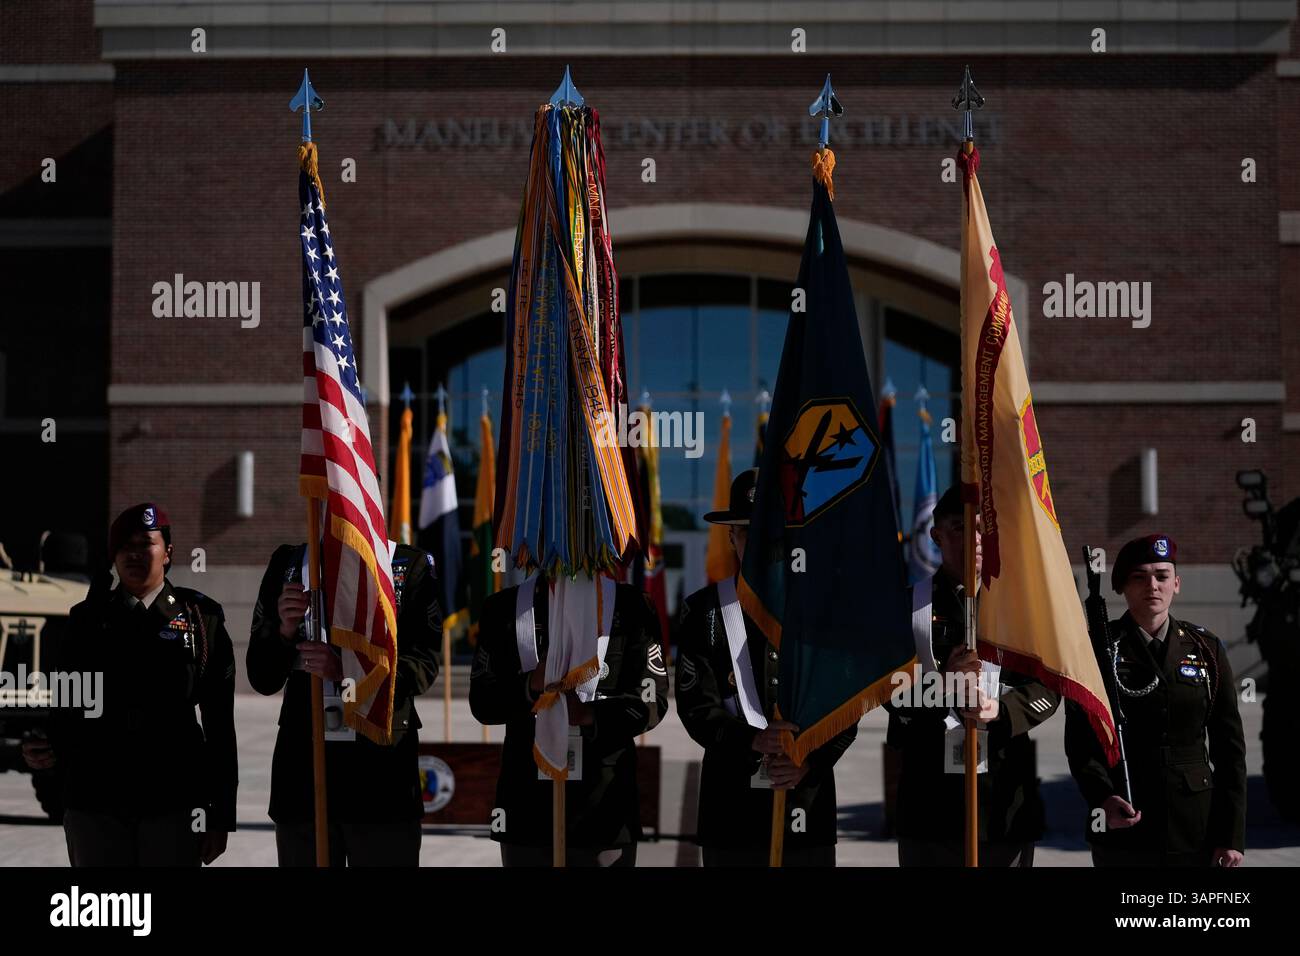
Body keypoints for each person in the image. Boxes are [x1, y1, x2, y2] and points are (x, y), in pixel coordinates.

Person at [23, 503, 237, 866]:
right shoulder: (85, 621)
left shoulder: (201, 620)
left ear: (167, 552)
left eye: (146, 543)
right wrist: (44, 754)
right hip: (96, 804)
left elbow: (219, 726)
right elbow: (65, 711)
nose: (134, 553)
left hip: (172, 804)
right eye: (124, 545)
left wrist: (220, 817)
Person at [676, 468, 857, 866]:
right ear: (731, 539)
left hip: (804, 805)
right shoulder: (704, 611)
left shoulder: (821, 613)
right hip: (731, 810)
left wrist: (809, 761)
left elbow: (847, 707)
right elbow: (695, 708)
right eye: (746, 532)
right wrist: (753, 741)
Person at [886, 485, 1060, 866]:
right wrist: (944, 683)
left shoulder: (1020, 608)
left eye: (983, 528)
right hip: (929, 800)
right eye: (959, 526)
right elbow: (889, 693)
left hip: (1003, 796)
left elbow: (1047, 684)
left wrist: (1001, 710)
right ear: (936, 536)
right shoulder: (907, 606)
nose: (975, 538)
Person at [247, 539, 441, 866]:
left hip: (380, 776)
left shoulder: (406, 565)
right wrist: (284, 631)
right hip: (304, 776)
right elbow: (262, 677)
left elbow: (423, 665)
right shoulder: (290, 563)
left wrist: (348, 670)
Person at [1065, 534, 1247, 867]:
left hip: (1194, 825)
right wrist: (1102, 797)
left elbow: (1229, 748)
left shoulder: (1205, 648)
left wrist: (1230, 835)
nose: (1153, 585)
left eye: (1162, 576)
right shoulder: (1096, 651)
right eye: (1140, 577)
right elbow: (1081, 741)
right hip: (1125, 818)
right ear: (1122, 587)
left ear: (1176, 584)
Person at [470, 571, 669, 866]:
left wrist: (590, 715)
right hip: (526, 804)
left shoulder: (631, 606)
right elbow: (483, 703)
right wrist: (529, 685)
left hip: (604, 806)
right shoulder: (502, 607)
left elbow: (652, 700)